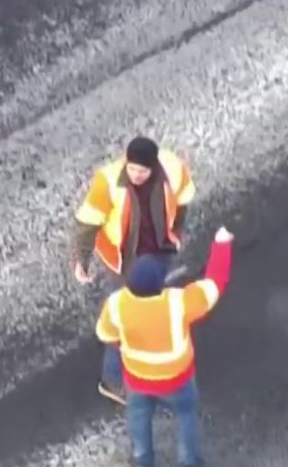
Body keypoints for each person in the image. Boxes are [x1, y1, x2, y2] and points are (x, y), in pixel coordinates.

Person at [95, 226, 234, 467]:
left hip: (137, 379)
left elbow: (105, 334)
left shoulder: (117, 304)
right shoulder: (176, 303)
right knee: (186, 415)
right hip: (177, 379)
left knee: (138, 417)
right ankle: (188, 466)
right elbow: (214, 284)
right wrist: (221, 244)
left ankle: (143, 465)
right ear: (161, 282)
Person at [71, 136, 196, 406]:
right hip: (122, 263)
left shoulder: (173, 169)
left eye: (142, 171)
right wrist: (80, 258)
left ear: (154, 166)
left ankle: (136, 365)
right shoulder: (108, 181)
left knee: (143, 314)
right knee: (123, 321)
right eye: (131, 169)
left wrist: (176, 233)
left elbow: (184, 200)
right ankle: (113, 381)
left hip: (157, 256)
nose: (135, 175)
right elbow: (87, 223)